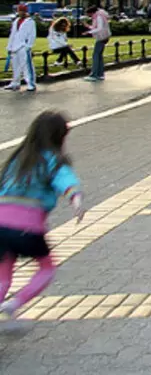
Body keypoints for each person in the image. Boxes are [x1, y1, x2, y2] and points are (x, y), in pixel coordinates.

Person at [0, 111, 86, 324]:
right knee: (47, 269)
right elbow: (65, 181)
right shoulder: (55, 161)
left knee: (3, 274)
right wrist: (75, 199)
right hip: (28, 228)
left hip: (1, 224)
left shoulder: (17, 159)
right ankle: (14, 304)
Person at [4, 4, 37, 93]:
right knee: (15, 66)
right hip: (14, 46)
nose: (21, 12)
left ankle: (31, 83)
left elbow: (32, 35)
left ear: (25, 12)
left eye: (22, 11)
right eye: (19, 11)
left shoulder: (30, 22)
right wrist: (9, 46)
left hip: (23, 46)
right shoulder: (16, 21)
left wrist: (28, 46)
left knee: (26, 66)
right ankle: (15, 83)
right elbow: (12, 35)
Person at [82, 5, 111, 82]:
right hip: (104, 36)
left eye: (89, 14)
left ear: (91, 13)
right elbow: (97, 27)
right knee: (99, 55)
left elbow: (99, 28)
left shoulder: (98, 17)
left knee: (95, 55)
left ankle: (94, 74)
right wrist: (89, 27)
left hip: (101, 37)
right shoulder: (100, 16)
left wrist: (89, 32)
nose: (89, 16)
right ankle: (100, 74)